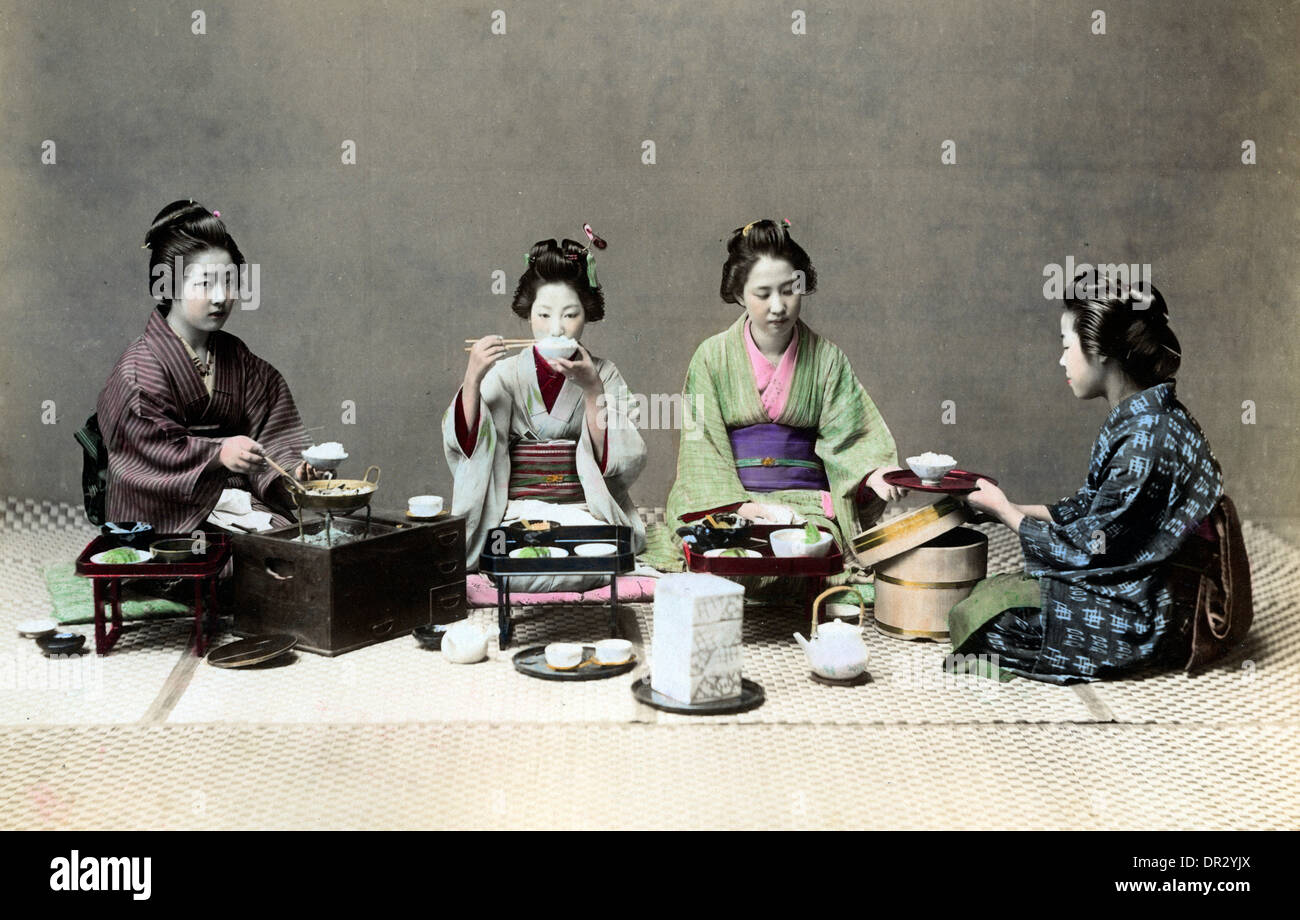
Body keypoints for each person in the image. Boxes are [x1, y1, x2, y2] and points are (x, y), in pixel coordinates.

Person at [955, 274, 1224, 682]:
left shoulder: (1147, 438)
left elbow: (1093, 547)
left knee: (990, 617)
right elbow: (1093, 508)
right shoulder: (1146, 415)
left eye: (1066, 347)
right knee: (986, 597)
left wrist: (1008, 515)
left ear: (1101, 351)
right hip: (1140, 577)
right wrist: (1002, 509)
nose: (1061, 360)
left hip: (1157, 606)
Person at [649, 219, 904, 577]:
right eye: (762, 293)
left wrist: (871, 475)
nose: (778, 306)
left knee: (808, 555)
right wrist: (740, 506)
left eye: (788, 290)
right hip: (735, 504)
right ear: (739, 295)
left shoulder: (827, 359)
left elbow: (852, 439)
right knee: (731, 557)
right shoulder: (711, 357)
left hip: (807, 505)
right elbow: (701, 449)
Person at [96, 200, 316, 535]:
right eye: (205, 283)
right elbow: (145, 456)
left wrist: (293, 472)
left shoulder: (237, 358)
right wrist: (218, 453)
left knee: (290, 546)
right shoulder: (139, 369)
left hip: (234, 503)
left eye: (229, 282)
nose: (220, 297)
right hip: (165, 512)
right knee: (240, 564)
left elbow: (272, 431)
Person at [443, 233, 646, 592]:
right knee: (518, 565)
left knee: (594, 563)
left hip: (583, 510)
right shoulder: (505, 374)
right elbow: (469, 444)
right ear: (528, 314)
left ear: (587, 316)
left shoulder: (605, 373)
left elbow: (621, 461)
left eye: (570, 315)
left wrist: (592, 389)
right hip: (519, 512)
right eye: (544, 314)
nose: (556, 328)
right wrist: (472, 377)